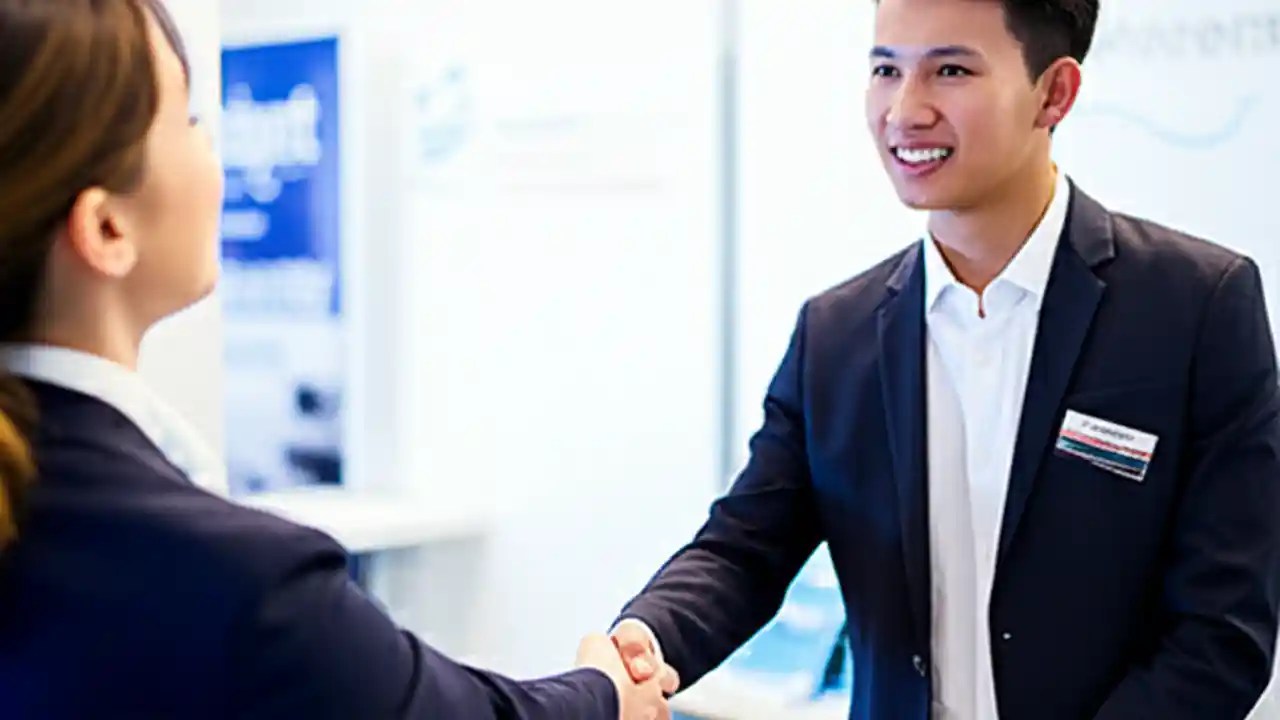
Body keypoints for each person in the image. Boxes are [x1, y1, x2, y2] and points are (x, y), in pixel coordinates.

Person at [609, 0, 1280, 718]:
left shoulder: (1194, 308)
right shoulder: (837, 335)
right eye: (885, 70)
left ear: (1054, 93)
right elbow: (743, 549)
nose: (905, 110)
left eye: (950, 70)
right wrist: (646, 638)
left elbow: (1222, 633)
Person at [0, 2, 670, 719]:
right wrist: (608, 698)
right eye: (190, 119)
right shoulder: (239, 586)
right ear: (107, 227)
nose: (214, 149)